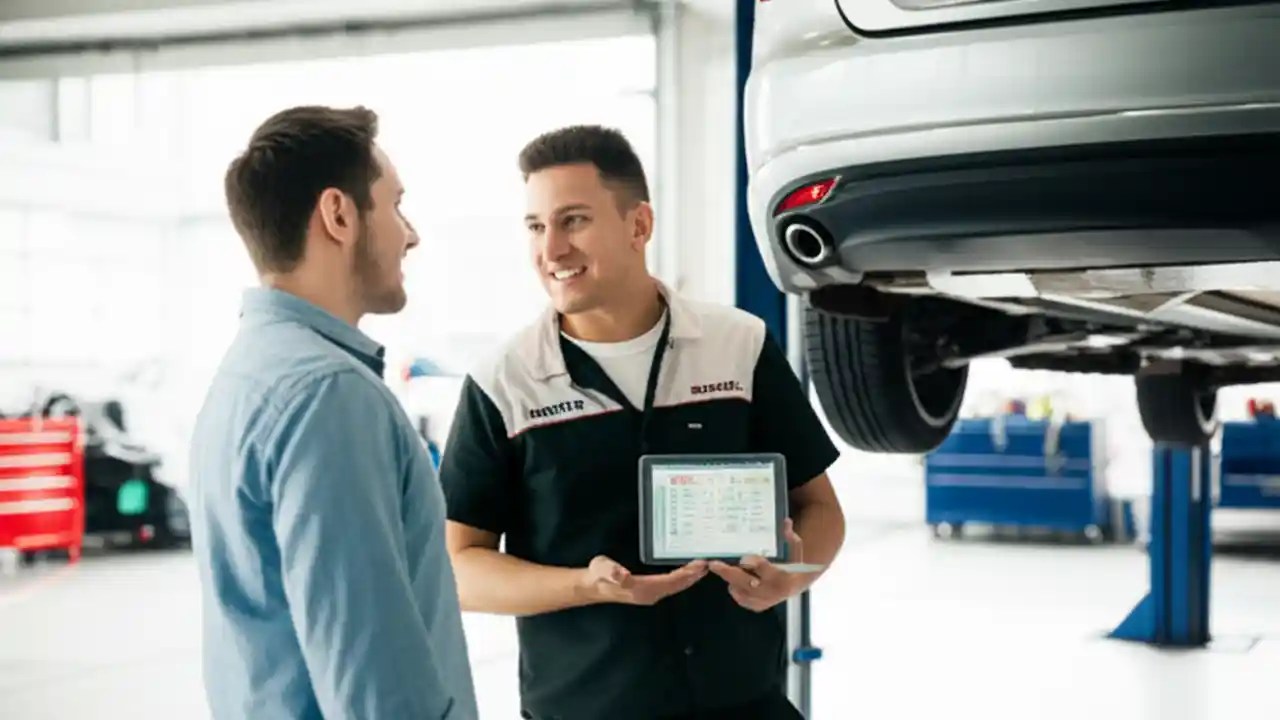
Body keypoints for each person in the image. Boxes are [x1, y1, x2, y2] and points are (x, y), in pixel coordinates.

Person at [440, 125, 846, 720]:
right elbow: (458, 568)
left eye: (573, 221)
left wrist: (792, 576)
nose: (552, 250)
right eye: (536, 226)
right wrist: (584, 585)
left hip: (746, 705)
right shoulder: (504, 383)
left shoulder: (738, 346)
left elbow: (821, 508)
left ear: (639, 225)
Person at [188, 105, 478, 720]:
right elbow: (376, 689)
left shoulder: (248, 373)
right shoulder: (329, 395)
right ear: (339, 215)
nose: (411, 234)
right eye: (396, 205)